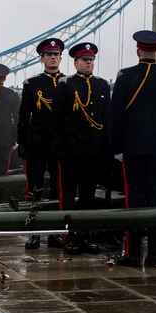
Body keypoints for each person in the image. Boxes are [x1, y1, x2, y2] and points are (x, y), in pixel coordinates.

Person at [108, 30, 156, 263]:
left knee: (134, 201)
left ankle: (131, 253)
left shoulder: (126, 77)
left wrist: (117, 148)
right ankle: (153, 253)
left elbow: (115, 116)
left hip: (132, 148)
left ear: (138, 50)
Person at [54, 42, 110, 254]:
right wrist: (60, 149)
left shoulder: (102, 85)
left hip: (93, 150)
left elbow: (107, 120)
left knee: (88, 196)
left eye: (91, 60)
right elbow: (58, 120)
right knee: (68, 195)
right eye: (85, 60)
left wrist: (106, 149)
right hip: (70, 151)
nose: (89, 63)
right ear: (76, 62)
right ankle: (69, 236)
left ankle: (85, 236)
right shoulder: (65, 85)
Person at [17, 37, 65, 249]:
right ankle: (34, 231)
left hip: (61, 145)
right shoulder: (32, 84)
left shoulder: (69, 82)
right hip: (37, 144)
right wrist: (23, 144)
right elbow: (23, 117)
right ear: (42, 58)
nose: (53, 58)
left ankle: (55, 232)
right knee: (34, 189)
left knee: (58, 188)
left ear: (60, 57)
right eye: (49, 55)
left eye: (56, 55)